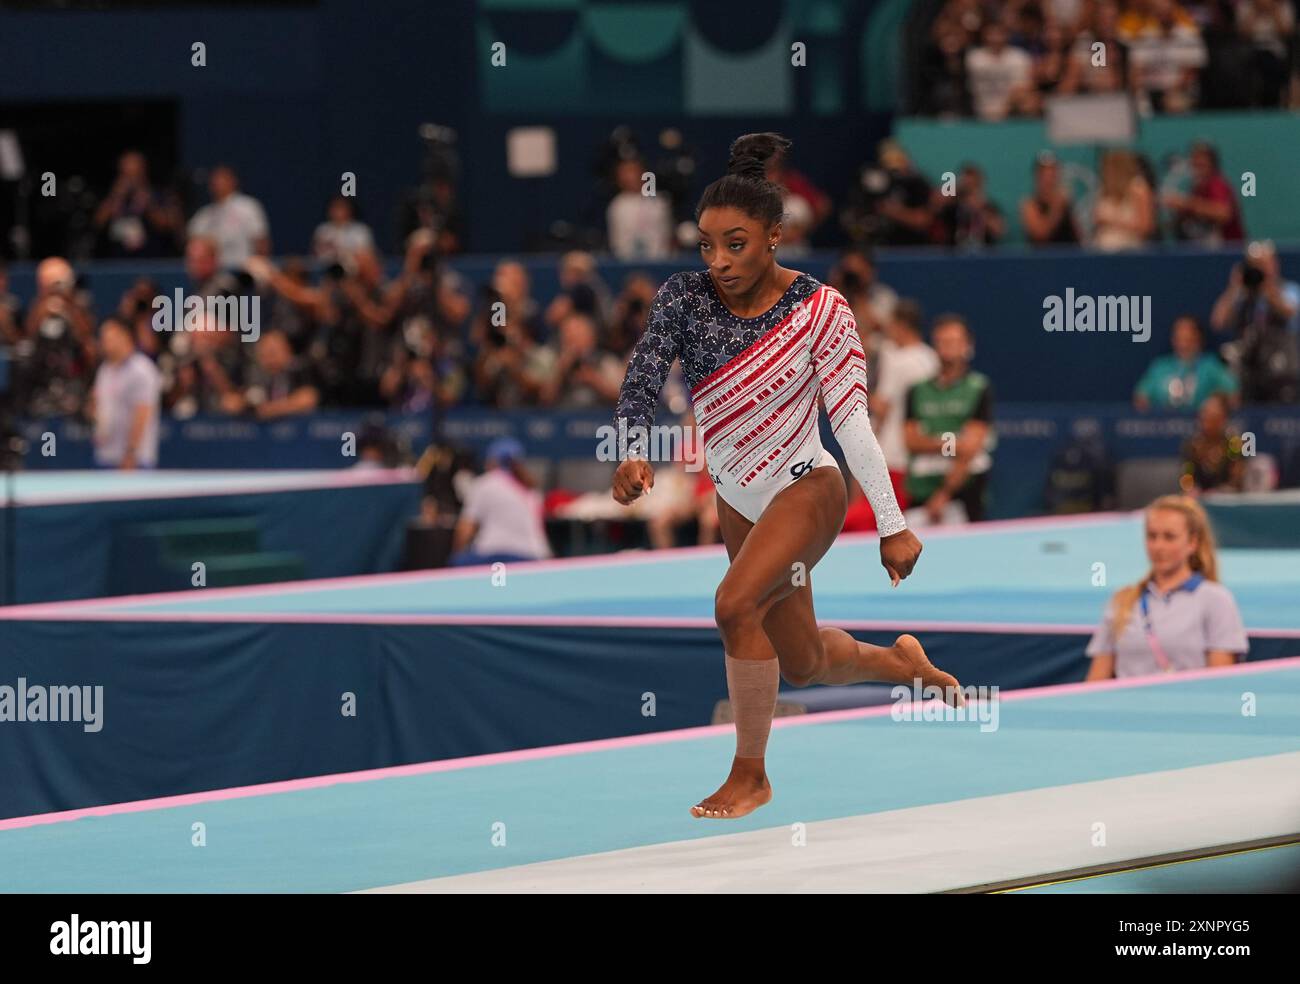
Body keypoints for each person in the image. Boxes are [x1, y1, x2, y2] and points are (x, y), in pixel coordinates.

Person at [611, 132, 961, 821]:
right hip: (737, 499)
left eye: (735, 244)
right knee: (801, 661)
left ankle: (751, 775)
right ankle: (902, 664)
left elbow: (851, 421)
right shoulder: (685, 297)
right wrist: (630, 449)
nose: (718, 261)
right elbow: (643, 373)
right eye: (706, 246)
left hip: (807, 487)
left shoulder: (821, 309)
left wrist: (892, 524)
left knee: (733, 606)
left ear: (776, 235)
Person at [1085, 494, 1246, 678]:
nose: (1158, 546)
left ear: (1192, 542)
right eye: (1152, 536)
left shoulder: (1216, 600)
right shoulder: (1122, 600)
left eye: (1169, 537)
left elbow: (1220, 682)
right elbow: (1096, 681)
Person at [903, 315, 994, 525]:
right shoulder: (917, 390)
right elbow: (911, 441)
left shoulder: (979, 388)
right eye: (942, 342)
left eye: (953, 342)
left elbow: (970, 448)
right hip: (920, 492)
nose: (947, 348)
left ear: (967, 346)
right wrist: (954, 443)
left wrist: (944, 494)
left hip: (964, 495)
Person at [450, 438, 552, 565]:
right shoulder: (532, 489)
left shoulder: (486, 483)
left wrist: (456, 555)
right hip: (535, 556)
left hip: (496, 555)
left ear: (493, 461)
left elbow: (465, 528)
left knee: (458, 562)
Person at [89, 317, 162, 470]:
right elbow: (100, 404)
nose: (104, 343)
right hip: (106, 455)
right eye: (103, 338)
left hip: (134, 461)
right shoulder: (105, 369)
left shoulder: (142, 370)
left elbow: (143, 412)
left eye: (110, 338)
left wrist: (131, 453)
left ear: (125, 336)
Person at [1133, 315, 1238, 411]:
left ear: (1199, 339)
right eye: (1179, 339)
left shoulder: (1210, 365)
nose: (1183, 345)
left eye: (1188, 339)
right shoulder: (1160, 366)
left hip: (1201, 423)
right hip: (1162, 423)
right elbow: (1141, 398)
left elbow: (1233, 395)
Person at [186, 165, 270, 267]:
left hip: (243, 269)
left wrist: (259, 266)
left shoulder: (248, 207)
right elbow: (191, 240)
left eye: (221, 179)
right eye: (214, 180)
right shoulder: (204, 214)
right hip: (215, 271)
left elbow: (261, 240)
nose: (217, 184)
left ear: (233, 181)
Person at [1179, 392, 1246, 492]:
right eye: (1204, 414)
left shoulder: (1234, 444)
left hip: (1226, 498)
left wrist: (1220, 492)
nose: (1205, 419)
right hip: (1198, 498)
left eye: (1212, 416)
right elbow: (1186, 477)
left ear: (1223, 418)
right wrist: (1191, 489)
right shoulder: (1192, 445)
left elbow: (1237, 480)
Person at [1020, 152, 1080, 246]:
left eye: (1053, 173)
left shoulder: (1065, 202)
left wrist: (1069, 208)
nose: (1049, 178)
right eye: (1044, 174)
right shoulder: (1029, 205)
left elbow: (1079, 238)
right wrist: (1057, 206)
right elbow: (1040, 235)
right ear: (1037, 176)